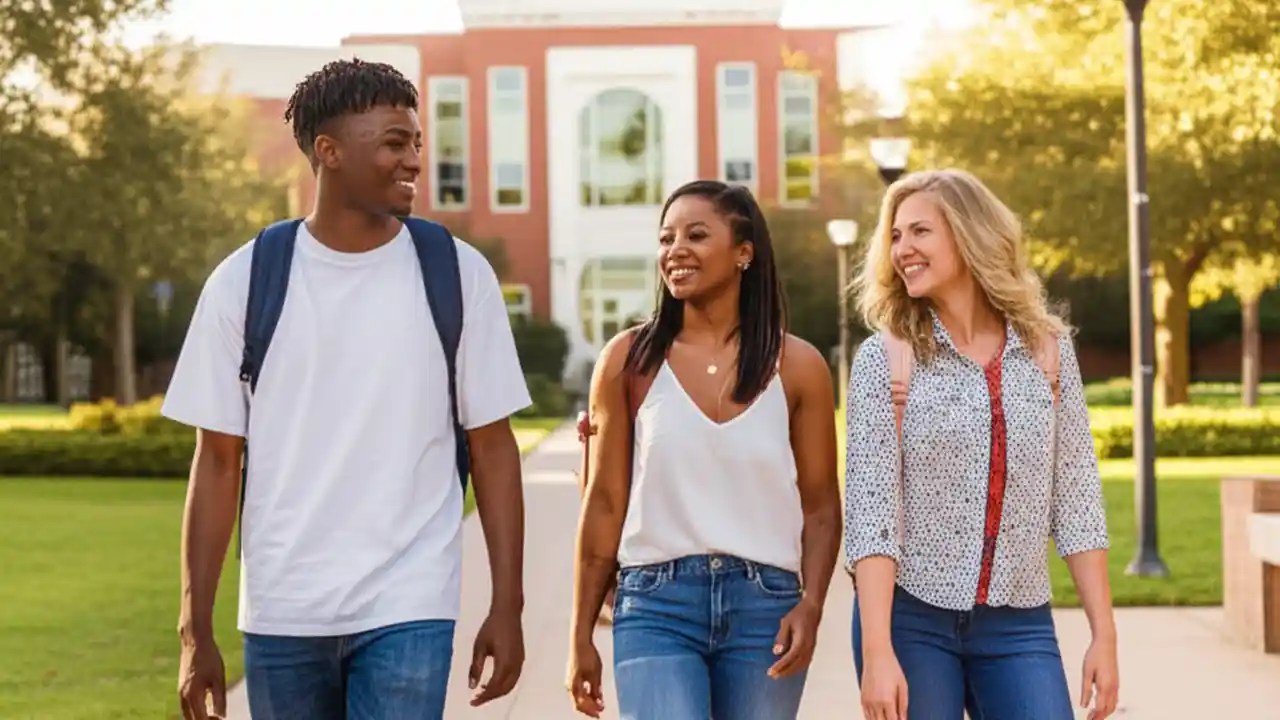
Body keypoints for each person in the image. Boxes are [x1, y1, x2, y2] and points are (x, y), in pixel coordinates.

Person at [167, 58, 530, 720]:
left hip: (410, 600)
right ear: (328, 151)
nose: (414, 159)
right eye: (394, 142)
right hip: (283, 606)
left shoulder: (457, 273)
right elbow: (217, 461)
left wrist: (508, 605)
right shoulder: (244, 281)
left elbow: (493, 447)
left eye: (415, 141)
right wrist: (195, 630)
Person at [844, 168, 1120, 720]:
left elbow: (1077, 499)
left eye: (920, 231)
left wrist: (1104, 635)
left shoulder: (1047, 351)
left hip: (1019, 623)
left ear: (969, 234)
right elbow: (873, 516)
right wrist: (877, 651)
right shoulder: (885, 359)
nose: (902, 249)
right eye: (895, 236)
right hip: (911, 620)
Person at [566, 180, 842, 719]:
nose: (676, 250)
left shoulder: (799, 367)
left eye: (695, 235)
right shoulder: (629, 360)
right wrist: (580, 636)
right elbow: (603, 503)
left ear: (744, 253)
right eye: (666, 238)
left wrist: (811, 605)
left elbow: (821, 507)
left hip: (765, 606)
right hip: (655, 604)